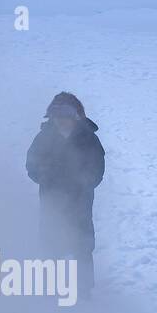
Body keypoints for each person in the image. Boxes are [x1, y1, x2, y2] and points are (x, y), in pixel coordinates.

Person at [26, 92, 105, 298]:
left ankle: (84, 290)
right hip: (52, 202)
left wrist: (83, 180)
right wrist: (46, 175)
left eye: (67, 113)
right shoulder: (44, 138)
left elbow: (97, 170)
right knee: (52, 242)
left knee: (82, 244)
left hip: (80, 202)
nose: (62, 119)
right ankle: (51, 289)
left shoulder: (89, 139)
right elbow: (32, 165)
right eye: (57, 113)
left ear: (77, 116)